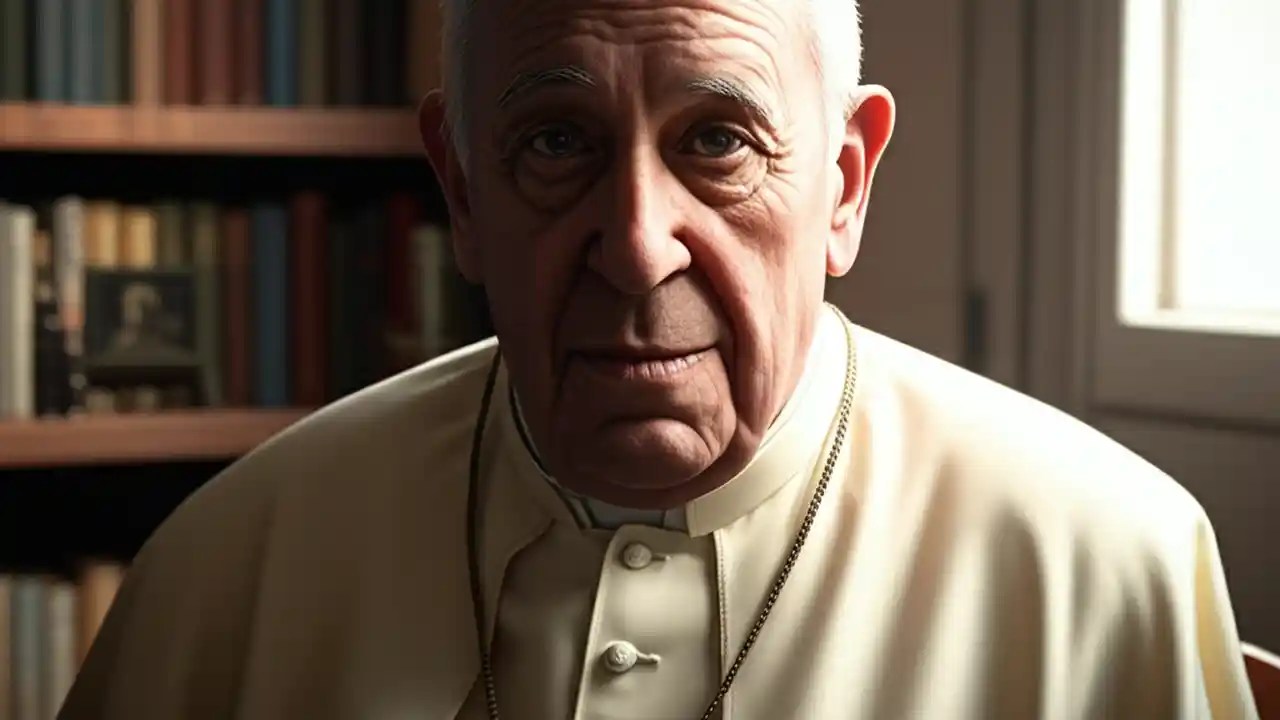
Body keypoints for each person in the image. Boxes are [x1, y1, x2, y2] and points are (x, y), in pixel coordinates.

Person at [61, 1, 1259, 718]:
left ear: (842, 183)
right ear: (462, 188)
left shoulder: (1103, 568)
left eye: (719, 140)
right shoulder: (233, 570)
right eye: (555, 141)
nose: (636, 248)